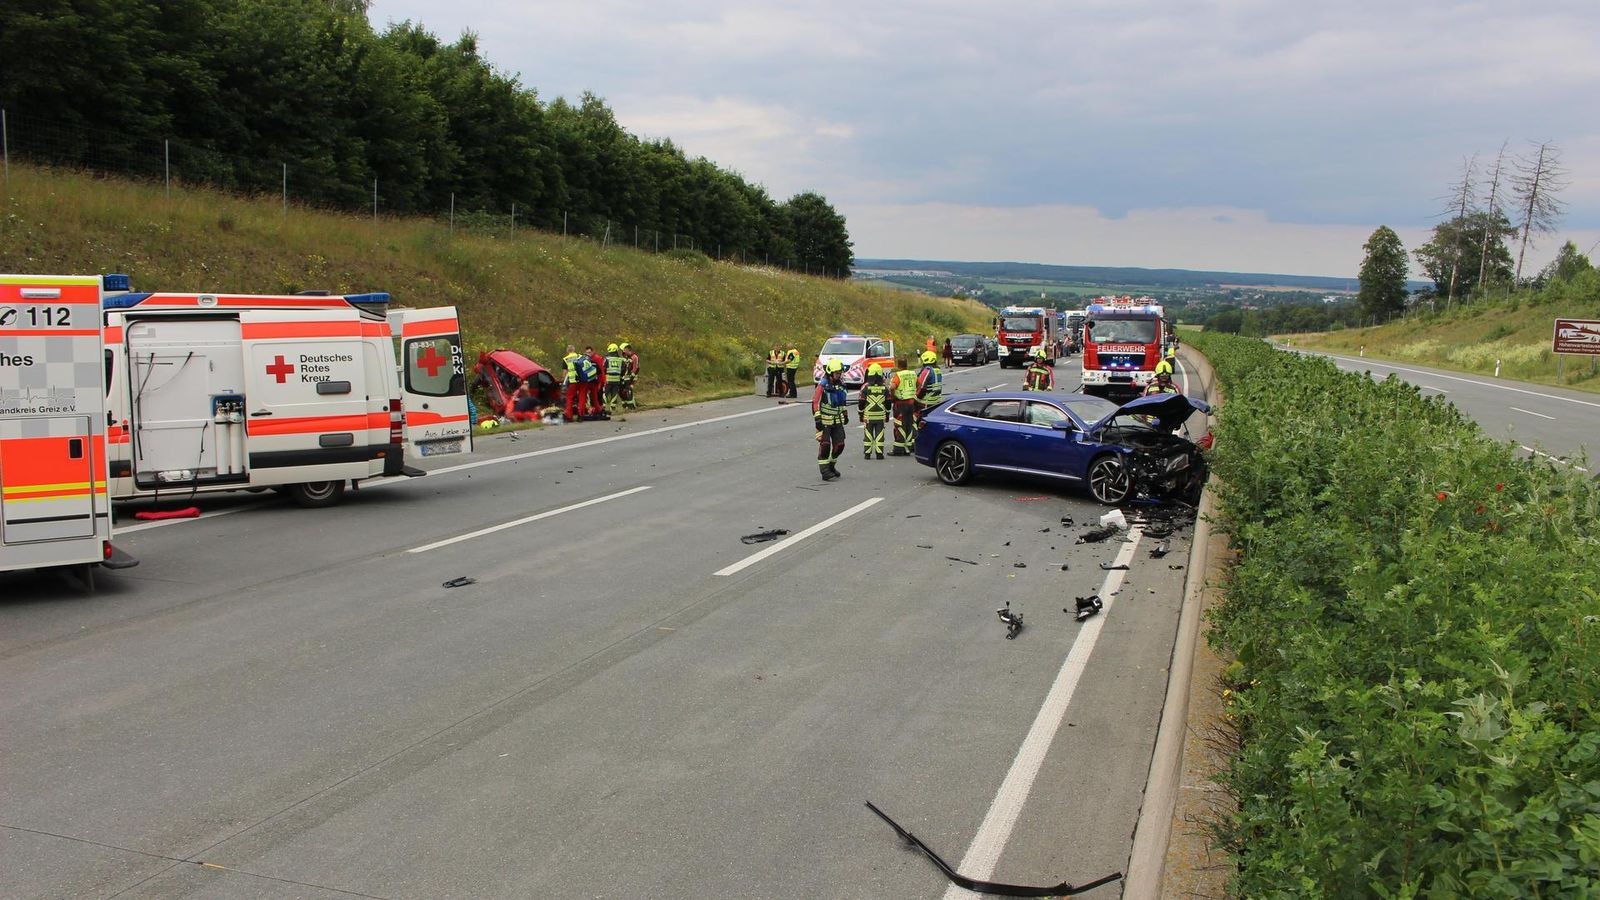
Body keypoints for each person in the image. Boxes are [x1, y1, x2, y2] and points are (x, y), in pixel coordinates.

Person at [812, 359, 849, 480]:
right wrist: (817, 418)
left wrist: (845, 413)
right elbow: (815, 402)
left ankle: (831, 466)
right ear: (831, 373)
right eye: (837, 373)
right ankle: (824, 471)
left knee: (840, 445)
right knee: (825, 445)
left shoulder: (841, 385)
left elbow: (842, 401)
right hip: (825, 420)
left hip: (837, 420)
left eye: (840, 373)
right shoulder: (822, 385)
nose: (839, 375)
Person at [857, 363, 889, 460]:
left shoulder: (865, 387)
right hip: (880, 416)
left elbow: (861, 402)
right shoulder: (885, 388)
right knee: (880, 435)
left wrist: (861, 414)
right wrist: (887, 415)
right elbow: (888, 402)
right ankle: (879, 454)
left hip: (868, 416)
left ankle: (867, 454)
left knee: (868, 434)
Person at [889, 356, 917, 456]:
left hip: (900, 404)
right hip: (911, 403)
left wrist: (893, 396)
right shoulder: (913, 374)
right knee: (909, 425)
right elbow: (919, 384)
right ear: (907, 365)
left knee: (899, 425)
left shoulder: (898, 375)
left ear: (898, 366)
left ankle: (898, 449)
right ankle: (908, 448)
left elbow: (892, 387)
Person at [914, 349, 943, 428]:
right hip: (936, 401)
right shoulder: (938, 370)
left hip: (926, 402)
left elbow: (922, 387)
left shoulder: (927, 370)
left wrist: (916, 398)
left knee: (916, 420)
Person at [561, 345, 586, 421]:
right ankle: (581, 415)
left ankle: (569, 416)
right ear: (574, 350)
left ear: (567, 351)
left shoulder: (566, 359)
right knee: (582, 397)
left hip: (573, 381)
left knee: (570, 398)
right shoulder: (580, 356)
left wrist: (563, 382)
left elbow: (565, 373)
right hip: (582, 380)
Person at [603, 343, 627, 414]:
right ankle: (612, 408)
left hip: (608, 379)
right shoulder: (621, 360)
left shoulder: (607, 359)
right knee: (614, 393)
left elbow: (603, 368)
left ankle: (604, 407)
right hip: (616, 379)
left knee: (605, 393)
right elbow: (623, 370)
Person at [584, 346, 606, 418]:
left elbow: (601, 371)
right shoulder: (587, 359)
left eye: (589, 352)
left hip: (598, 381)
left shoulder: (597, 358)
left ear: (593, 352)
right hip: (591, 382)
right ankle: (595, 410)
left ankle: (600, 410)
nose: (588, 354)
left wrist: (601, 383)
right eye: (587, 352)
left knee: (598, 396)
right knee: (592, 396)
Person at [620, 342, 639, 408]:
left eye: (623, 350)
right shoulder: (626, 357)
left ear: (627, 349)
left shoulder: (634, 357)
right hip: (627, 376)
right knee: (625, 390)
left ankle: (632, 405)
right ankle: (627, 404)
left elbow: (635, 367)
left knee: (630, 389)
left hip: (632, 376)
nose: (623, 351)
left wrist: (632, 376)